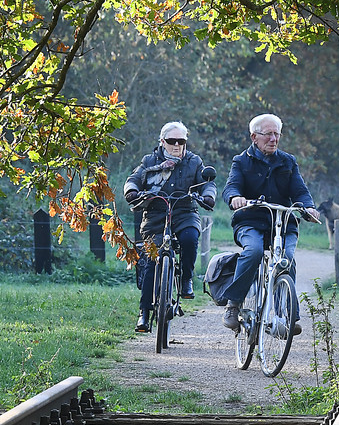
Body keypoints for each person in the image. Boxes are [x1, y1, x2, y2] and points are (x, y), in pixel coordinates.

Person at [219, 112, 320, 334]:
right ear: (254, 137)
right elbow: (231, 186)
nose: (273, 139)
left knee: (286, 259)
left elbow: (300, 191)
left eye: (277, 134)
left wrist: (308, 207)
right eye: (268, 134)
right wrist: (235, 198)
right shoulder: (241, 161)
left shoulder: (288, 161)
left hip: (283, 223)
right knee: (254, 251)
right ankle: (233, 304)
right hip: (250, 222)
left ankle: (287, 316)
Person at [124, 121, 217, 333]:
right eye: (172, 141)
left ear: (185, 142)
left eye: (181, 141)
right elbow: (134, 179)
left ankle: (186, 279)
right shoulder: (150, 160)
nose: (176, 145)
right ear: (162, 142)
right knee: (150, 261)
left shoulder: (194, 161)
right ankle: (144, 313)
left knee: (190, 238)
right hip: (156, 214)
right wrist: (132, 191)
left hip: (185, 212)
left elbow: (207, 183)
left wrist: (208, 196)